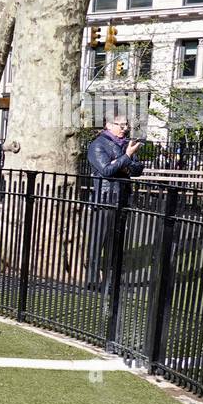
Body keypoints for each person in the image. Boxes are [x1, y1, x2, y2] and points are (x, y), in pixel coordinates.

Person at [86, 115, 145, 288]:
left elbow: (137, 169)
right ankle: (92, 281)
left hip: (122, 199)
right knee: (97, 244)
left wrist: (123, 161)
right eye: (121, 125)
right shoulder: (97, 145)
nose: (125, 128)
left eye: (126, 125)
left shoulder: (126, 145)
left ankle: (111, 282)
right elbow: (106, 170)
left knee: (116, 245)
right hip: (104, 201)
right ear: (109, 125)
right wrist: (126, 157)